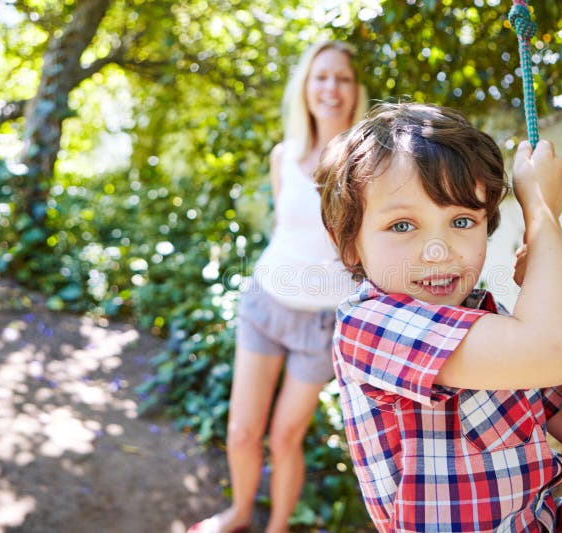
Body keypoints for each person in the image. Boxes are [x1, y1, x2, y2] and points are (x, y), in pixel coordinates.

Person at [314, 102, 562, 532]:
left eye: (462, 220)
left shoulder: (498, 326)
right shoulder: (368, 327)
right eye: (403, 226)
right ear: (349, 244)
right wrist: (541, 213)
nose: (438, 250)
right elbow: (557, 349)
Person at [188, 41, 368, 533]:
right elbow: (285, 231)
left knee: (285, 438)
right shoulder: (283, 155)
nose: (331, 87)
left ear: (355, 91)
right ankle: (239, 514)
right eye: (321, 76)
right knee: (243, 431)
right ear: (306, 86)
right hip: (265, 305)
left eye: (343, 78)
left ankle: (278, 527)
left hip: (323, 322)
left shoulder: (368, 165)